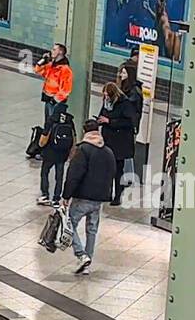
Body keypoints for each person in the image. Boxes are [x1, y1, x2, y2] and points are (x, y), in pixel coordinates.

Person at [64, 118, 117, 275]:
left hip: (82, 197)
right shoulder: (108, 151)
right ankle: (87, 264)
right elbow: (113, 173)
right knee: (92, 229)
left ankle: (81, 255)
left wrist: (66, 195)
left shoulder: (83, 150)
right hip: (99, 198)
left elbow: (74, 174)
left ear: (84, 132)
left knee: (69, 224)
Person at [97, 80, 138, 205]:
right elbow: (102, 114)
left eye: (108, 96)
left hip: (120, 142)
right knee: (107, 168)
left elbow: (129, 123)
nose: (106, 98)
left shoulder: (125, 104)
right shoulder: (106, 103)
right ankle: (107, 193)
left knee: (118, 169)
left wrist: (110, 121)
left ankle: (118, 195)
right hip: (108, 139)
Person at [118, 59, 149, 187]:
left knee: (127, 152)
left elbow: (130, 108)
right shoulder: (128, 89)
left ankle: (128, 176)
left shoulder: (134, 91)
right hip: (129, 125)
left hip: (129, 126)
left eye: (124, 73)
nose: (121, 75)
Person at [34, 43, 73, 136]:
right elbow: (38, 71)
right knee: (47, 123)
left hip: (55, 102)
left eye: (54, 49)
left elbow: (66, 90)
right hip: (48, 98)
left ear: (60, 52)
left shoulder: (65, 70)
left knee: (53, 124)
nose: (52, 51)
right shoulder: (51, 65)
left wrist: (54, 100)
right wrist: (43, 61)